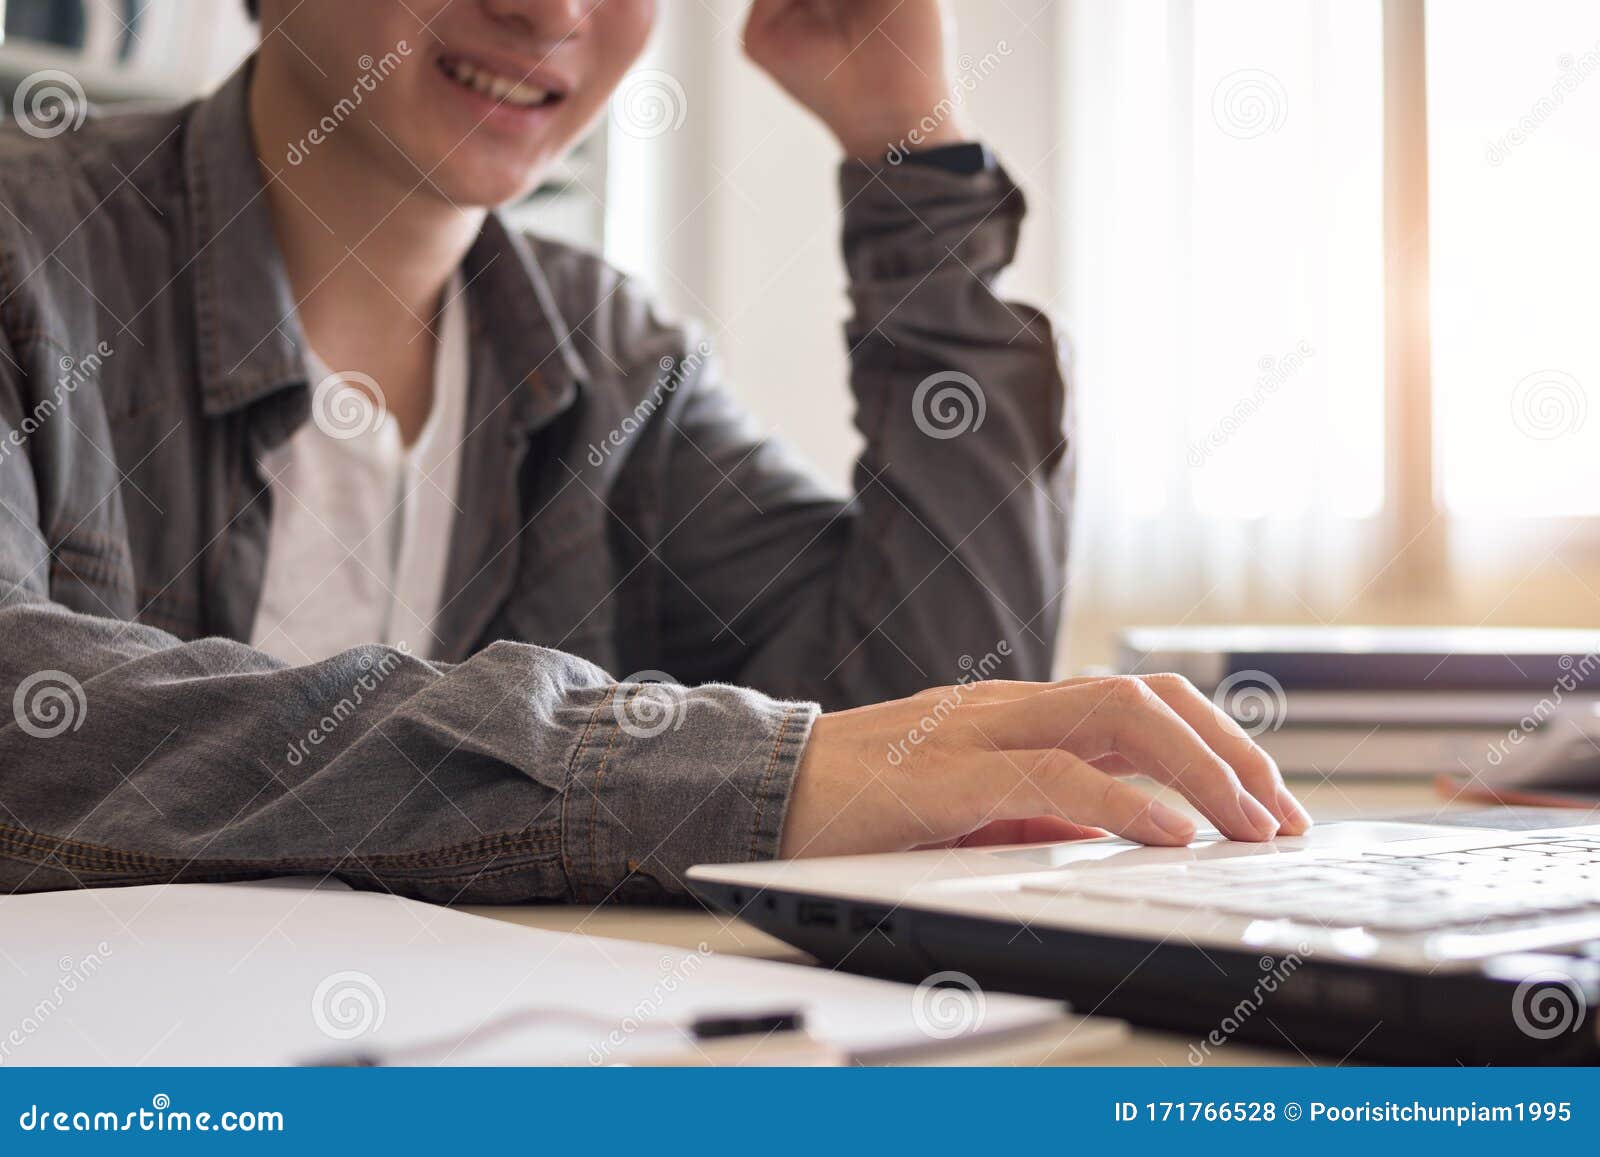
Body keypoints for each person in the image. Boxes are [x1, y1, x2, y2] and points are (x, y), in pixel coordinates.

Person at [0, 0, 1309, 904]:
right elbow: (31, 715)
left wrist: (905, 141)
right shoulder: (27, 257)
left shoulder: (618, 365)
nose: (550, 6)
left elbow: (930, 721)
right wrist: (711, 773)